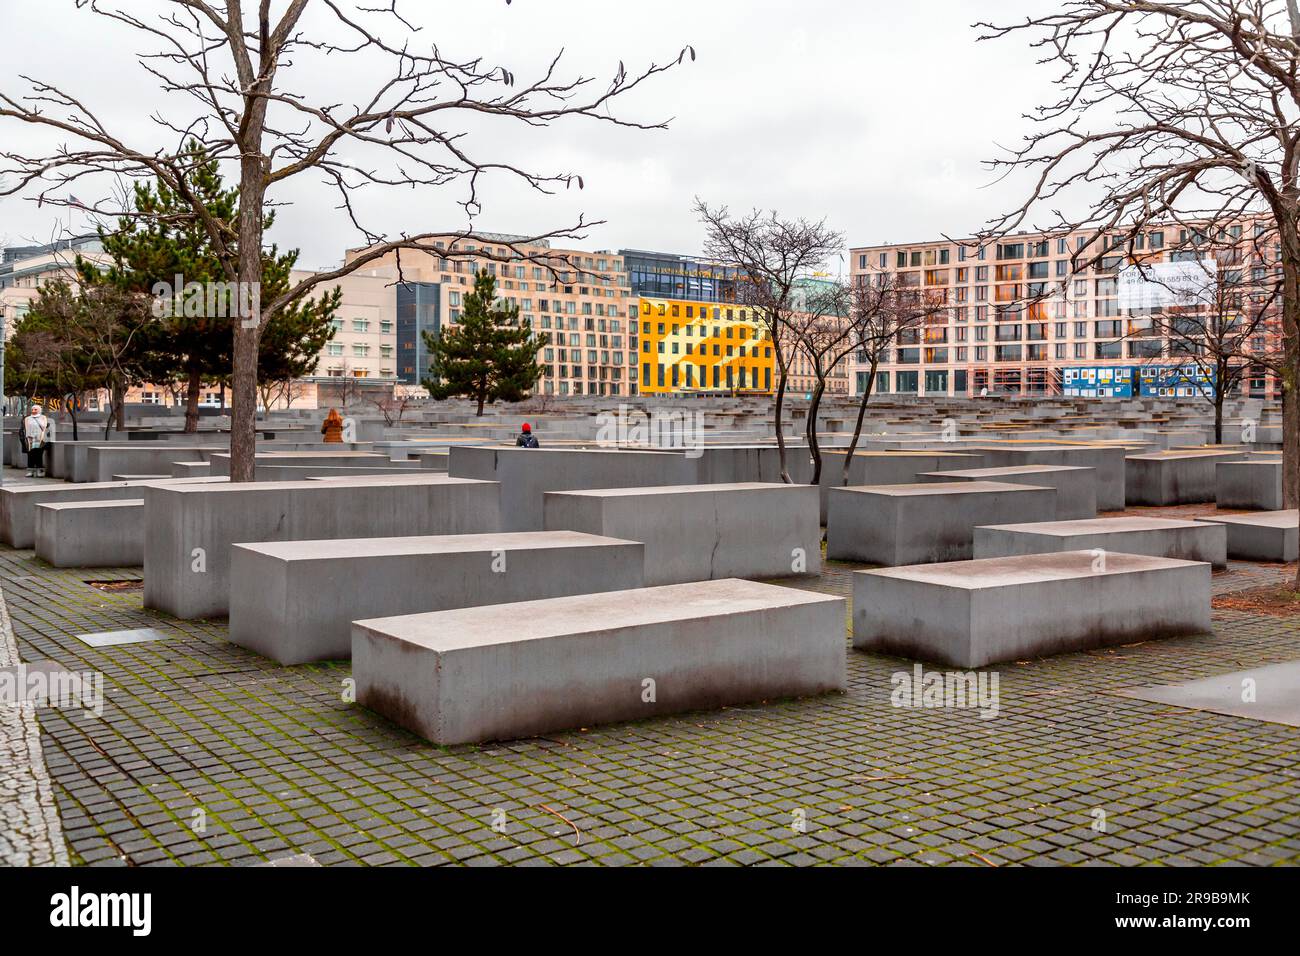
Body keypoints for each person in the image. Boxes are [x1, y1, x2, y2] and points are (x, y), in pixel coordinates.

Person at [23, 403, 54, 478]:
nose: (33, 411)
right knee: (30, 455)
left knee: (39, 455)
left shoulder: (43, 418)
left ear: (39, 410)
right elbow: (26, 429)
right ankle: (30, 471)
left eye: (35, 409)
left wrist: (37, 419)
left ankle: (39, 471)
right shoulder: (27, 418)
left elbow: (44, 427)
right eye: (32, 409)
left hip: (40, 439)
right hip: (30, 440)